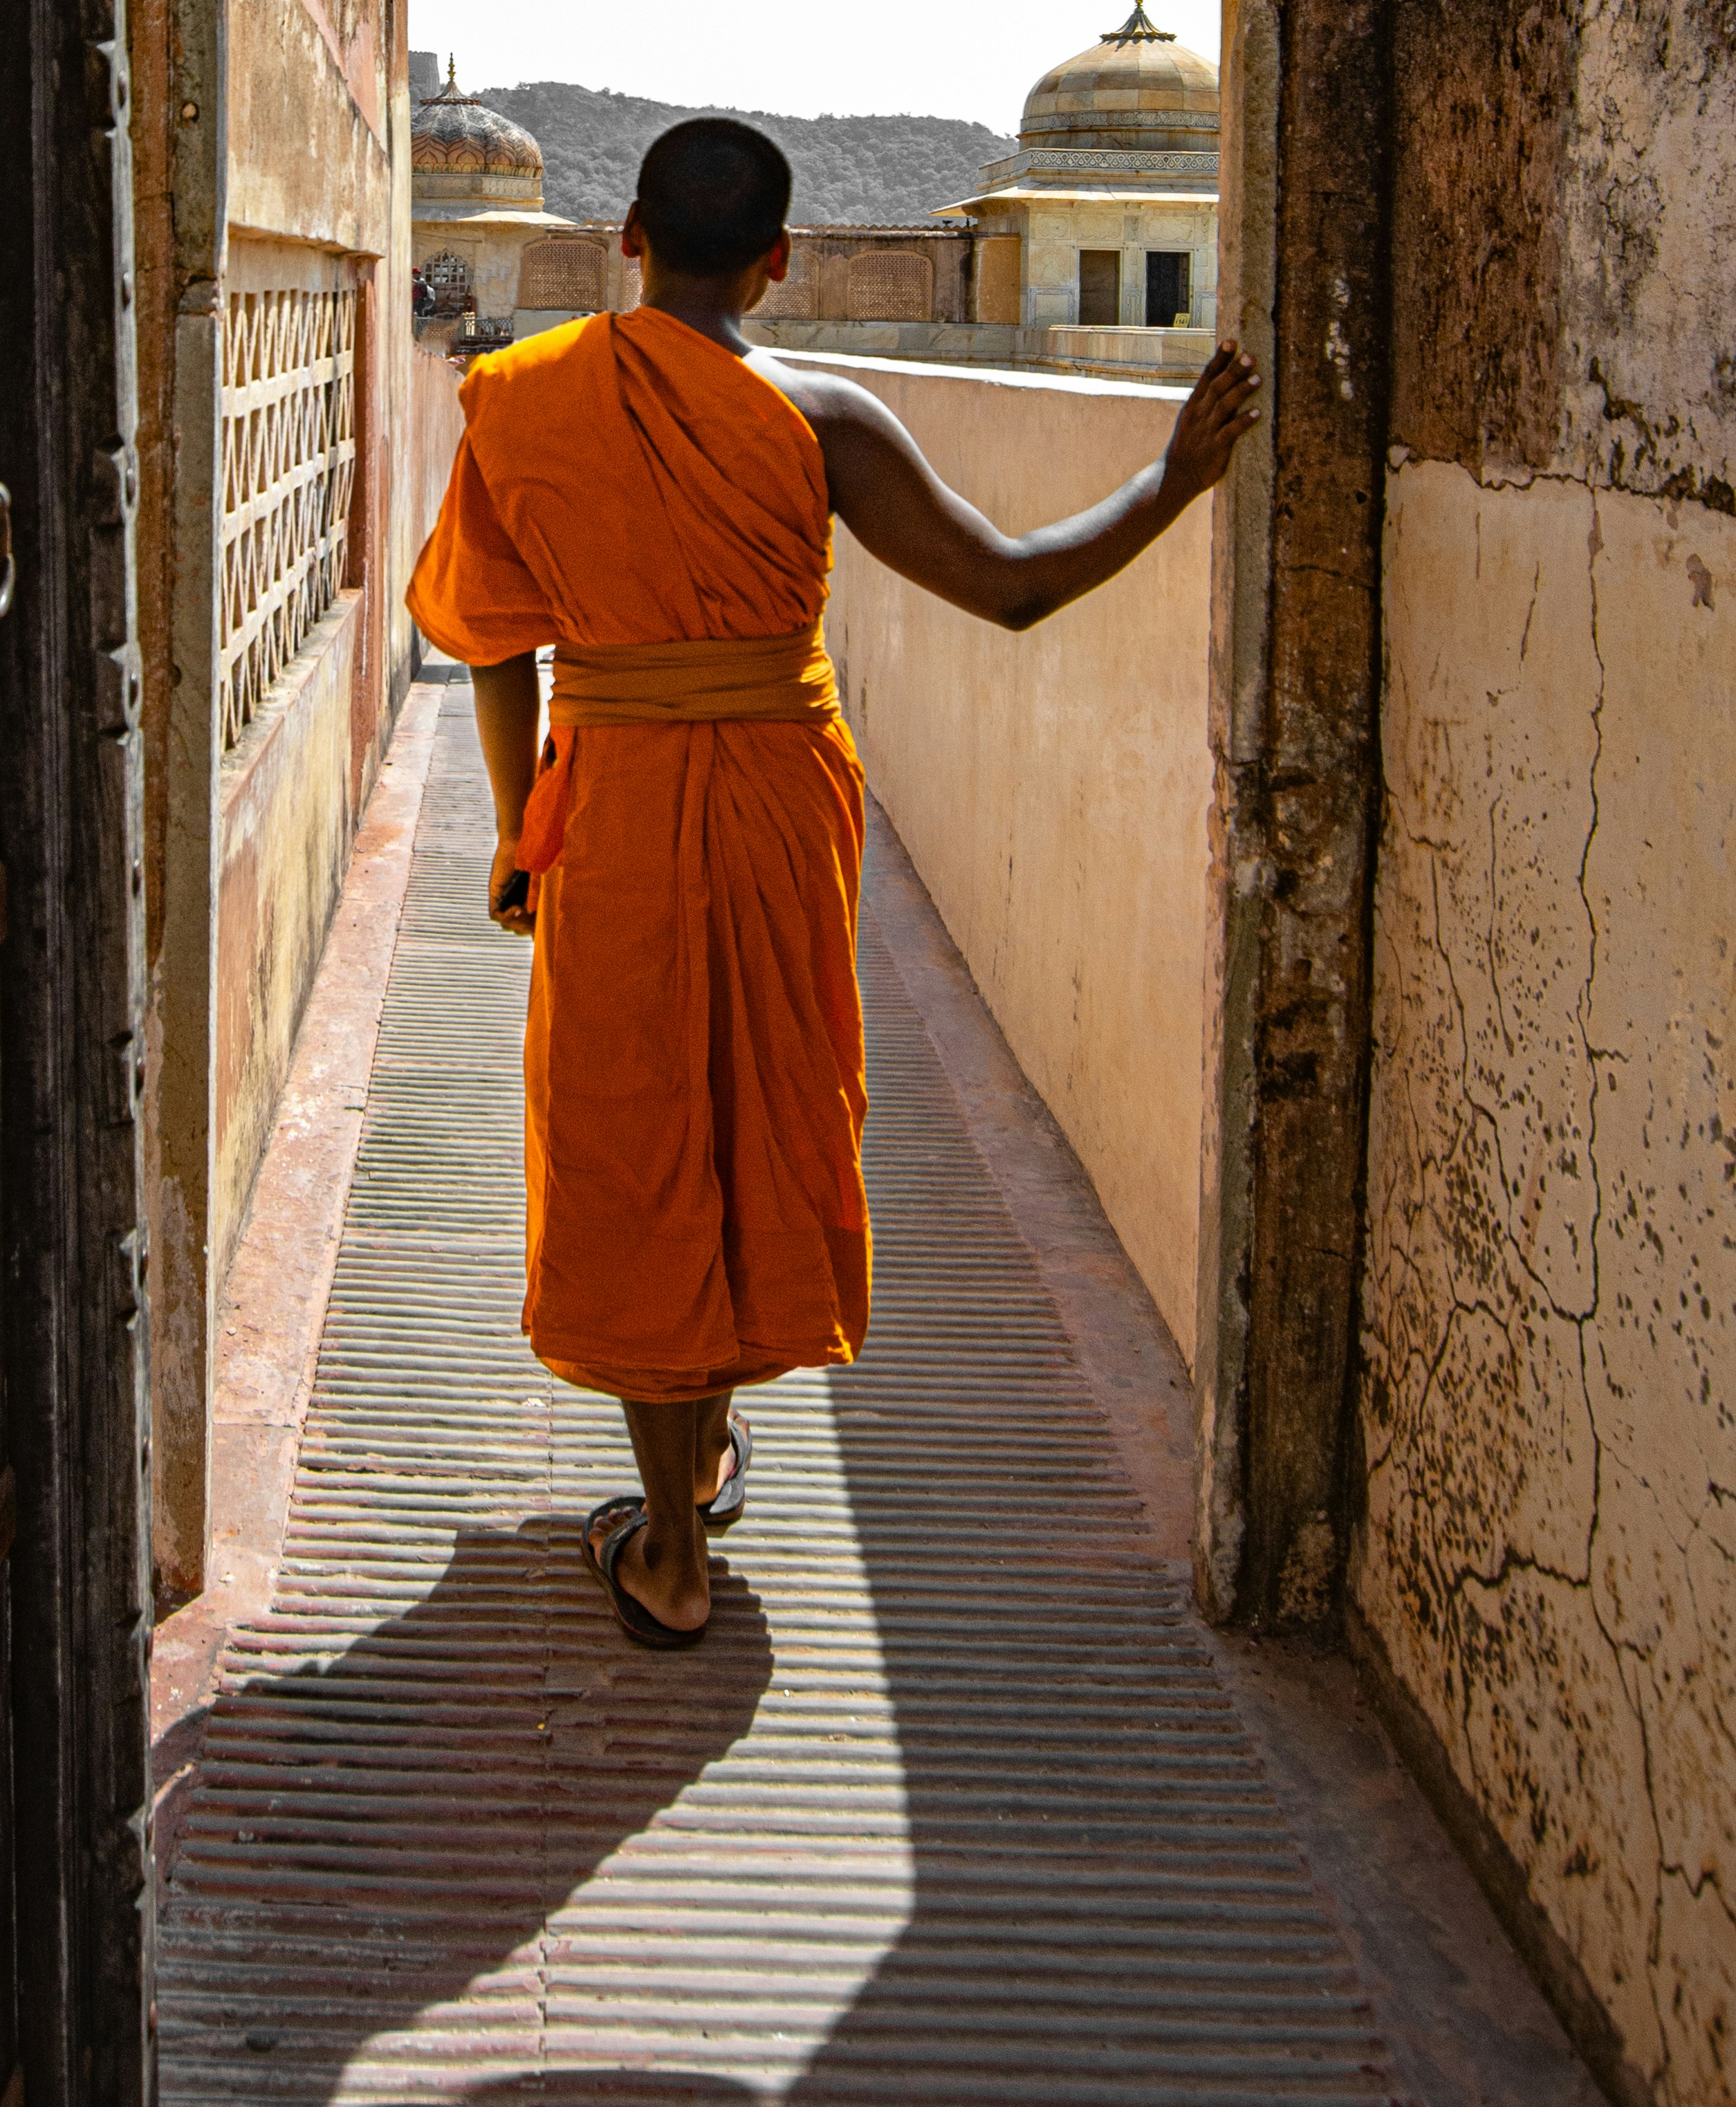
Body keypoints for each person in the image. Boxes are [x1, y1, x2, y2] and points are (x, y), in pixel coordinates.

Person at [407, 116, 1258, 1650]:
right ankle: (699, 1463)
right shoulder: (826, 415)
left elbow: (492, 639)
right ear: (783, 262)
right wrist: (1177, 477)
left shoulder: (523, 401)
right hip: (785, 807)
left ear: (628, 242)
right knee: (752, 1101)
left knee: (636, 1120)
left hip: (611, 804)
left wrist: (522, 825)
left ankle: (669, 1532)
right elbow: (1011, 583)